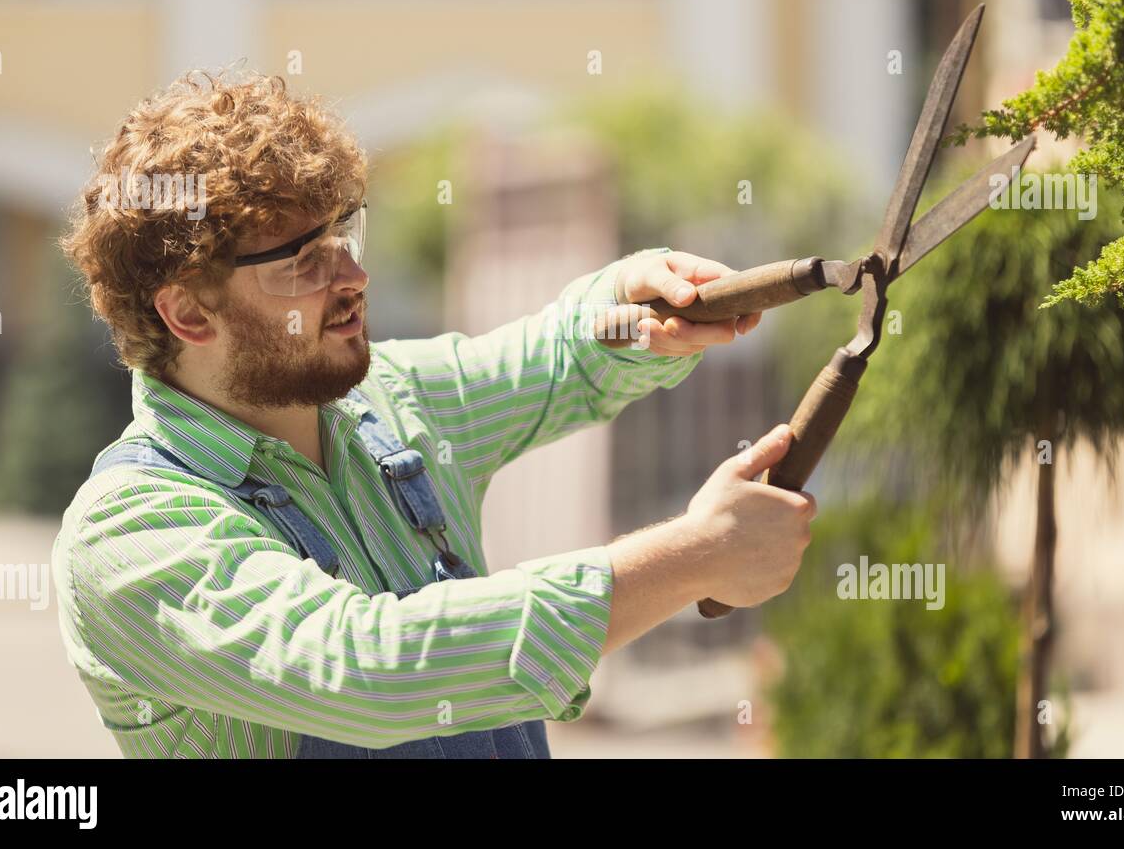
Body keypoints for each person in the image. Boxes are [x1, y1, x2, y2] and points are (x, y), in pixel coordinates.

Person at [52, 70, 816, 758]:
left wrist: (633, 306)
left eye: (344, 233)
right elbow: (372, 668)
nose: (352, 276)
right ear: (187, 312)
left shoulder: (389, 402)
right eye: (302, 261)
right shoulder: (129, 534)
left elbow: (556, 357)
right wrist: (691, 556)